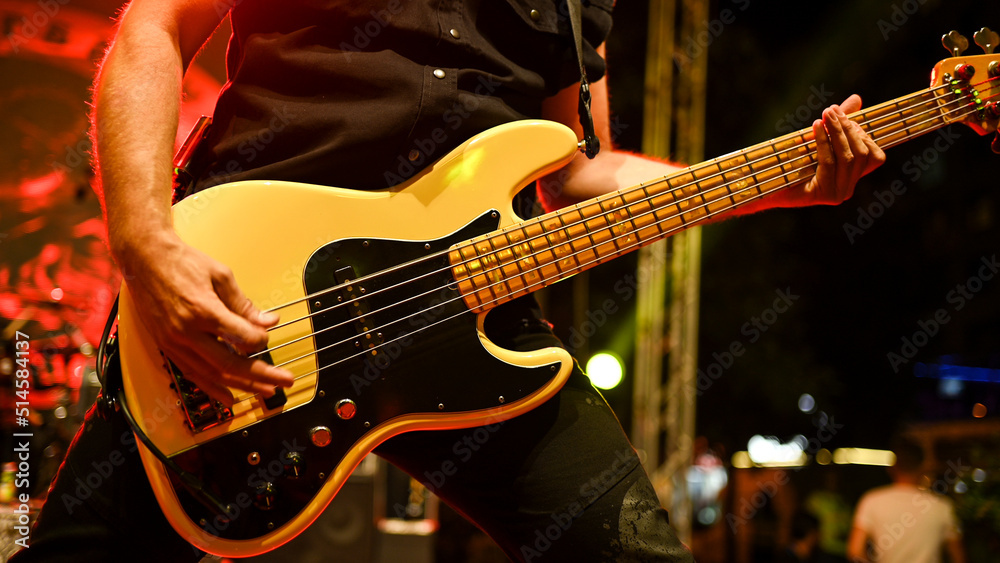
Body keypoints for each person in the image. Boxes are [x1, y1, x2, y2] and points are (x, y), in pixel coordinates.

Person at [12, 1, 885, 561]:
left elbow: (577, 171)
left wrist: (781, 180)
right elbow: (151, 27)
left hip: (472, 323)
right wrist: (143, 238)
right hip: (254, 295)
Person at [846, 440, 965, 563]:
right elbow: (958, 556)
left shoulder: (871, 500)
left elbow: (855, 551)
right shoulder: (942, 505)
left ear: (892, 468)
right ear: (922, 468)